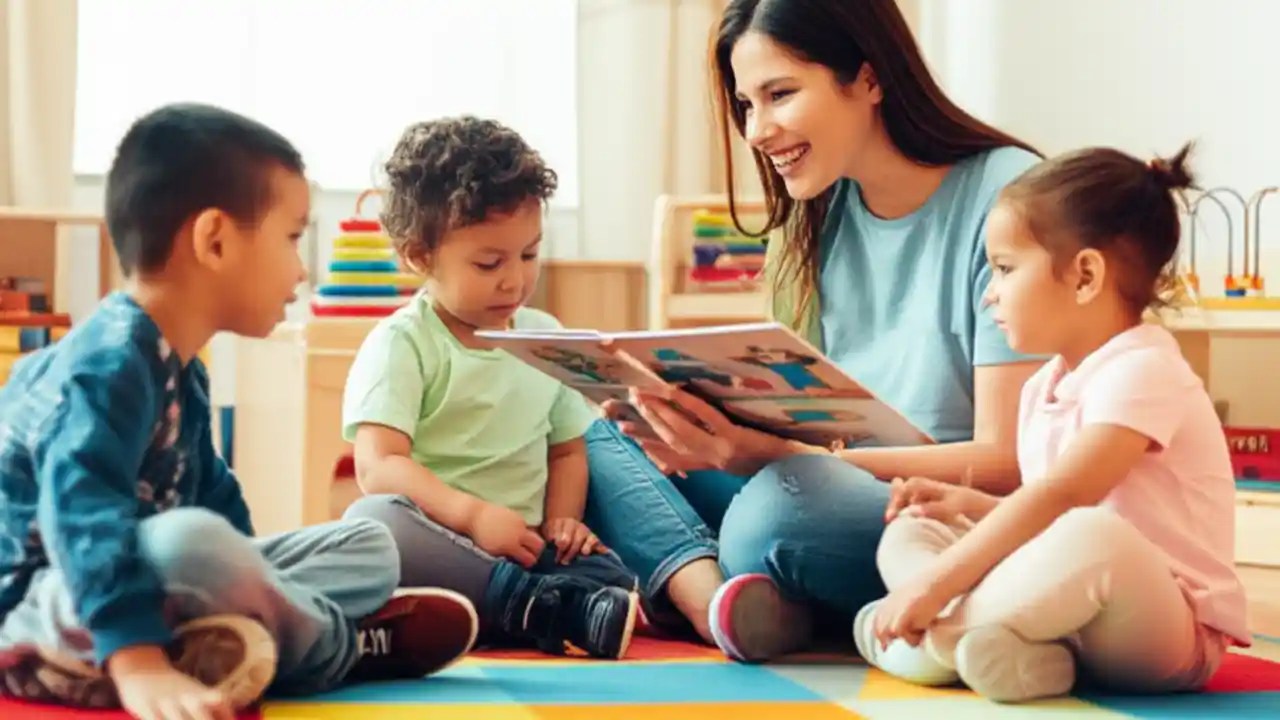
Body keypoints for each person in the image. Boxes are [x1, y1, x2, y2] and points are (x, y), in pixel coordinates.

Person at [582, 0, 1048, 660]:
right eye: (746, 105)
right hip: (829, 474)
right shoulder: (814, 213)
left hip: (943, 509)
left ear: (869, 78)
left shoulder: (1010, 198)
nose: (756, 130)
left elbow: (1010, 462)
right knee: (608, 439)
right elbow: (808, 413)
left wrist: (775, 458)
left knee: (777, 513)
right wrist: (707, 420)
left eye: (780, 94)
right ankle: (718, 601)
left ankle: (729, 589)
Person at [0, 104, 478, 720]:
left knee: (371, 546)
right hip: (46, 596)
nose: (301, 269)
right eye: (292, 238)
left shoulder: (181, 367)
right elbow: (82, 516)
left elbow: (214, 499)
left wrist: (243, 574)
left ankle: (243, 631)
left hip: (155, 578)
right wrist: (140, 664)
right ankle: (341, 647)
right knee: (191, 544)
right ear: (216, 240)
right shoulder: (107, 365)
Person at [853, 143, 1249, 702]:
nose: (988, 294)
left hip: (1164, 632)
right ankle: (1021, 658)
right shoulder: (1044, 386)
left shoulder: (1144, 369)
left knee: (1097, 535)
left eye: (1004, 269)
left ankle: (928, 637)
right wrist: (967, 505)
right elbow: (1045, 520)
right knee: (915, 528)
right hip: (1071, 621)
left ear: (1085, 276)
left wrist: (933, 586)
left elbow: (1066, 499)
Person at [341, 116, 640, 661]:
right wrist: (474, 517)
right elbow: (378, 466)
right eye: (488, 263)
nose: (515, 280)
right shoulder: (403, 343)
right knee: (371, 525)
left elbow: (567, 449)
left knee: (614, 572)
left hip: (529, 549)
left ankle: (527, 608)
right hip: (444, 541)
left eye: (529, 255)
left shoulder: (545, 338)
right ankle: (534, 608)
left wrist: (564, 521)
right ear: (419, 256)